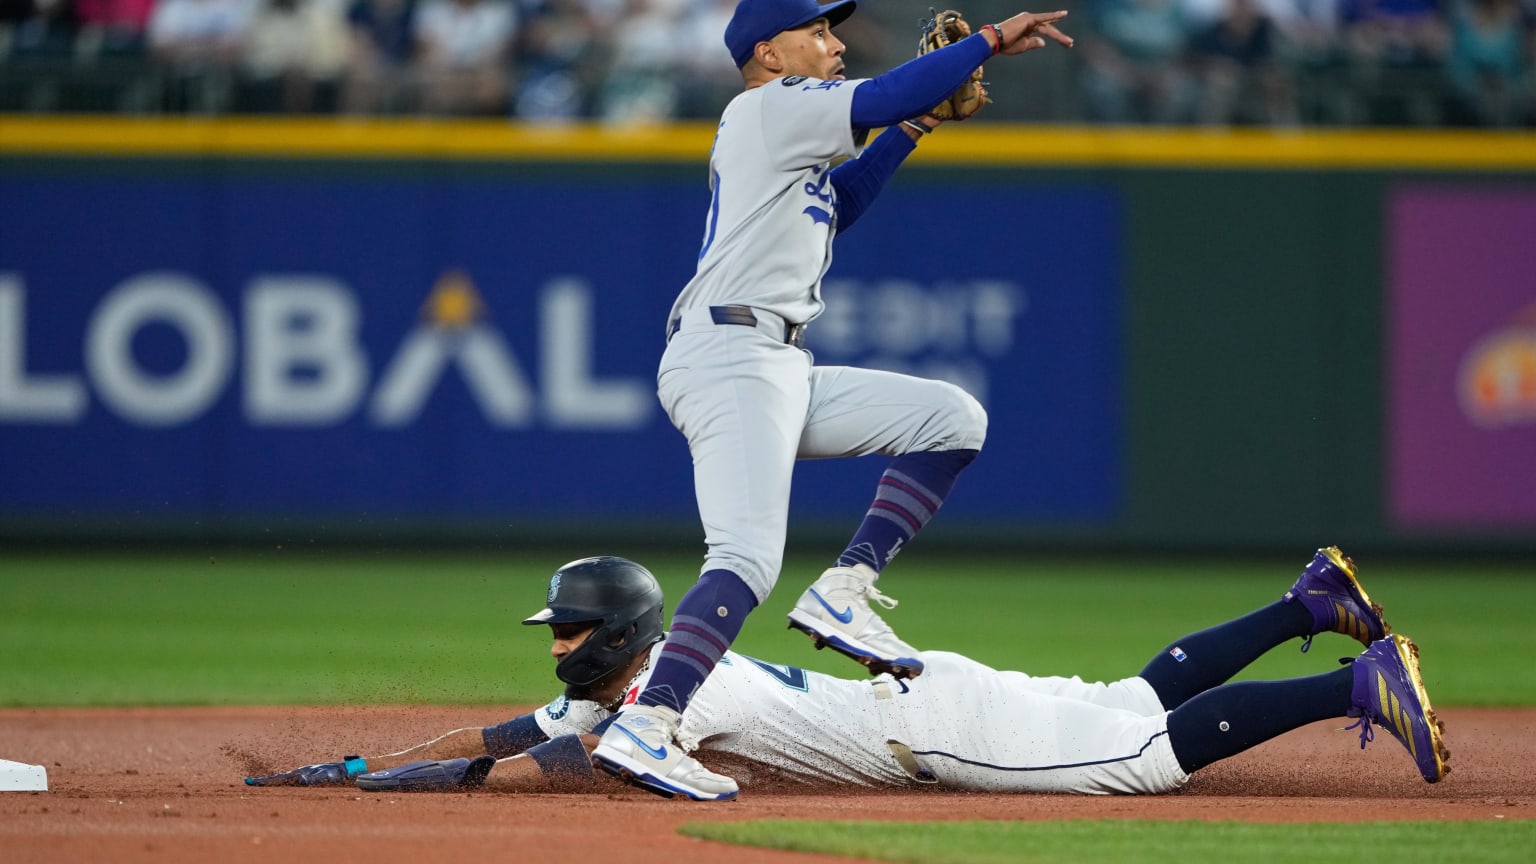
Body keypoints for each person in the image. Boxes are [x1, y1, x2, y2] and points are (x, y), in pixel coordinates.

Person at [578, 0, 1074, 802]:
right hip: (732, 353)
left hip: (768, 360)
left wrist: (915, 131)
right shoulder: (771, 107)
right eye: (818, 31)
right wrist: (986, 40)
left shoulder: (791, 140)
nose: (835, 42)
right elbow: (881, 97)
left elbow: (840, 203)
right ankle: (649, 725)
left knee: (952, 417)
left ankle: (843, 589)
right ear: (770, 53)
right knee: (743, 557)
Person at [244, 549, 1450, 799]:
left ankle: (1360, 682)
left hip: (933, 732)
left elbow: (542, 770)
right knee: (1130, 701)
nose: (554, 648)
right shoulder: (653, 672)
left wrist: (384, 799)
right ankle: (1310, 605)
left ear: (613, 638)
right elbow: (523, 729)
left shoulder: (678, 696)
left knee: (1138, 759)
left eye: (566, 632)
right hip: (917, 693)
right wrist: (358, 765)